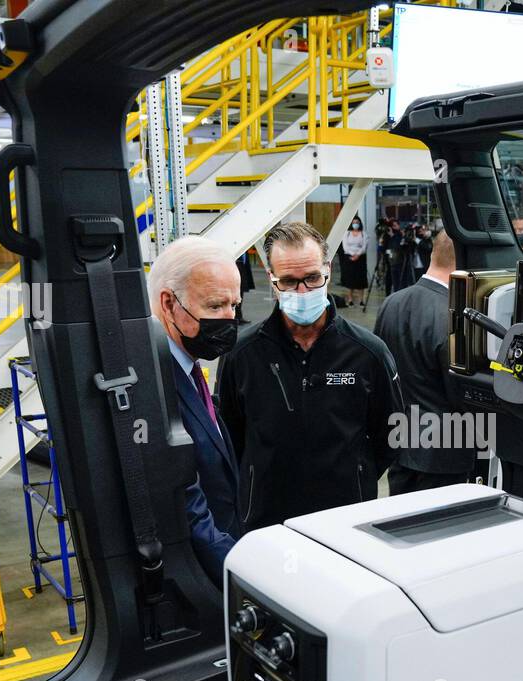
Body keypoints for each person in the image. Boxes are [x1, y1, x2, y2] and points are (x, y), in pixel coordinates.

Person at [219, 221, 404, 532]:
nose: (303, 291)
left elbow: (391, 433)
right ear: (272, 280)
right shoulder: (241, 354)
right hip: (267, 519)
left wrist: (357, 475)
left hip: (346, 517)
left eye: (312, 278)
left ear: (328, 270)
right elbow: (230, 437)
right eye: (289, 282)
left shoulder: (367, 352)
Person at [147, 236, 244, 585]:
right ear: (169, 303)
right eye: (216, 306)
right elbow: (187, 508)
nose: (229, 319)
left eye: (234, 305)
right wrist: (245, 572)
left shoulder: (189, 369)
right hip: (198, 578)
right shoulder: (153, 387)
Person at [373, 230, 475, 494]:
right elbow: (460, 394)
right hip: (445, 449)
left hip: (400, 439)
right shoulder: (454, 317)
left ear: (432, 254)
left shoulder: (391, 302)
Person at [338, 216, 368, 311]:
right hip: (349, 258)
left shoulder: (363, 234)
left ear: (360, 223)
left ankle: (361, 300)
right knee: (350, 280)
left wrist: (357, 255)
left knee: (361, 280)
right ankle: (350, 299)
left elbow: (364, 246)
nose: (355, 224)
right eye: (354, 222)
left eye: (357, 222)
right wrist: (352, 255)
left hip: (360, 259)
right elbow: (345, 246)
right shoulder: (347, 234)